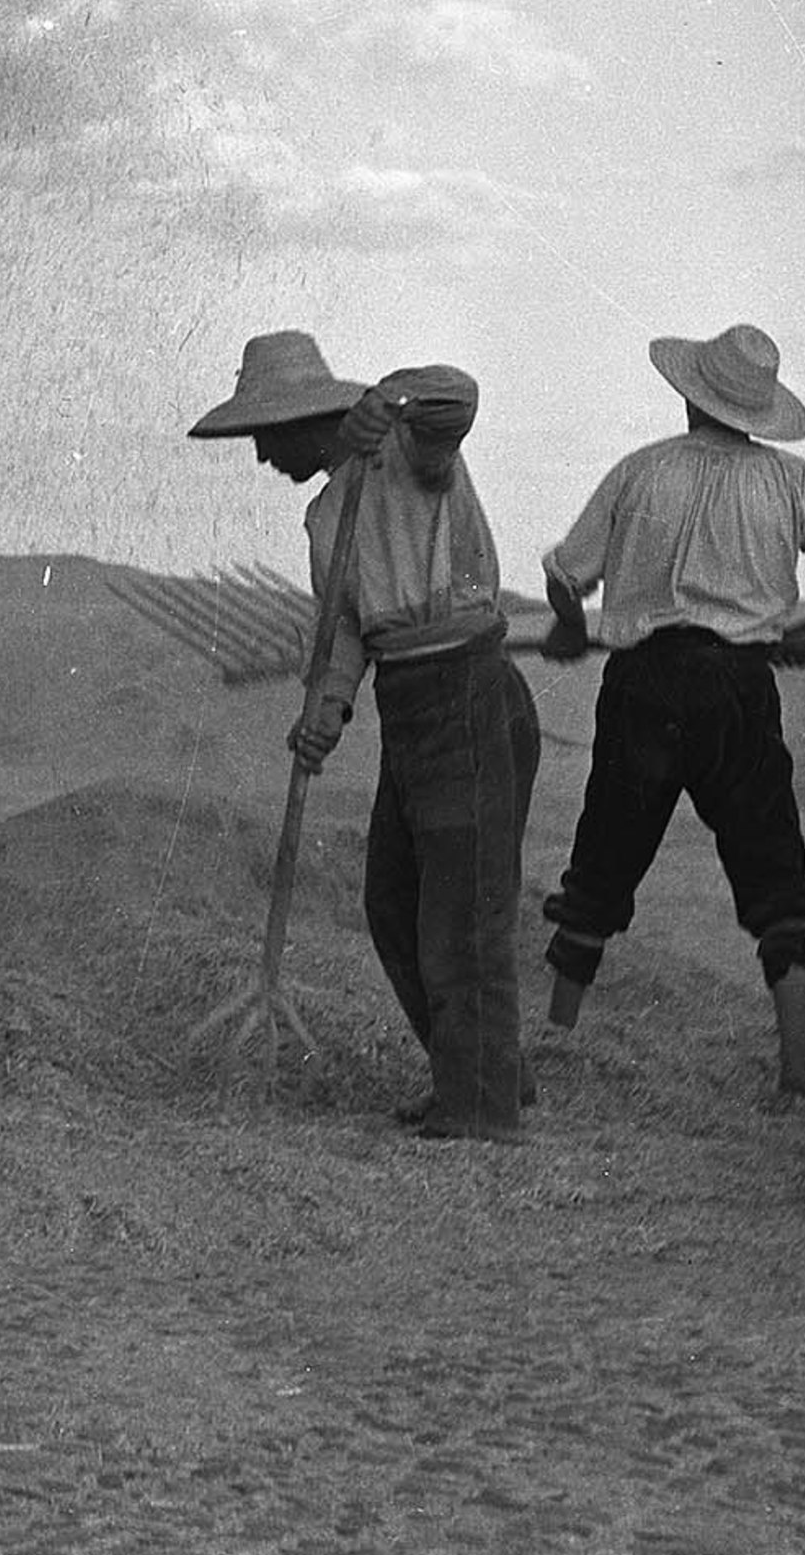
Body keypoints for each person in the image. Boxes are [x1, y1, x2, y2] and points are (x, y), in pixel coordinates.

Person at [535, 322, 805, 1103]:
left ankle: (555, 1044)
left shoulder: (638, 473)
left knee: (603, 859)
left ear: (686, 397)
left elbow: (567, 578)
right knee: (771, 868)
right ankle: (796, 1070)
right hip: (738, 687)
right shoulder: (792, 482)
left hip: (644, 684)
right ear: (757, 408)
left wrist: (572, 633)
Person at [190, 330, 542, 1142]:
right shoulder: (325, 516)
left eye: (263, 438)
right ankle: (485, 1071)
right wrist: (326, 711)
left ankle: (481, 1106)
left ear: (302, 421)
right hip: (409, 703)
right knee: (392, 900)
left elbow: (459, 389)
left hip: (468, 689)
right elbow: (345, 630)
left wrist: (387, 399)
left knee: (461, 909)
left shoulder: (413, 450)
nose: (259, 458)